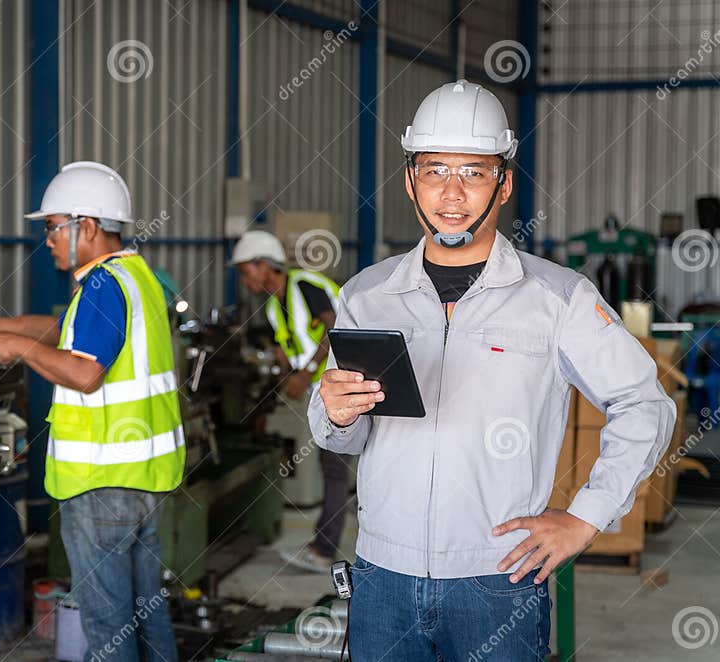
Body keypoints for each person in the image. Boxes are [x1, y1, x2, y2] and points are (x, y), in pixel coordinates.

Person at [308, 80, 675, 660]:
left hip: (498, 580)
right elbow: (344, 435)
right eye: (434, 170)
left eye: (474, 172)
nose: (451, 193)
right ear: (410, 180)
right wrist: (333, 413)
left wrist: (585, 518)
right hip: (383, 576)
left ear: (503, 184)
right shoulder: (367, 295)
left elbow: (645, 404)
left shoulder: (558, 298)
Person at [0, 161, 183, 662]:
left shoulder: (103, 284)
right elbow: (68, 331)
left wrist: (17, 349)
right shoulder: (136, 275)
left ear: (86, 226)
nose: (48, 240)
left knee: (108, 622)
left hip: (102, 482)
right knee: (145, 610)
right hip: (142, 476)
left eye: (53, 228)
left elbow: (84, 372)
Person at [231, 230, 351, 573]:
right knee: (332, 467)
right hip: (321, 392)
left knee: (335, 467)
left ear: (264, 265)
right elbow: (284, 353)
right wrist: (284, 379)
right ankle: (323, 545)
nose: (244, 281)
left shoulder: (305, 287)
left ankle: (324, 550)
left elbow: (334, 330)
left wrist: (306, 372)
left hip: (344, 385)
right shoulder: (273, 307)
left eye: (246, 271)